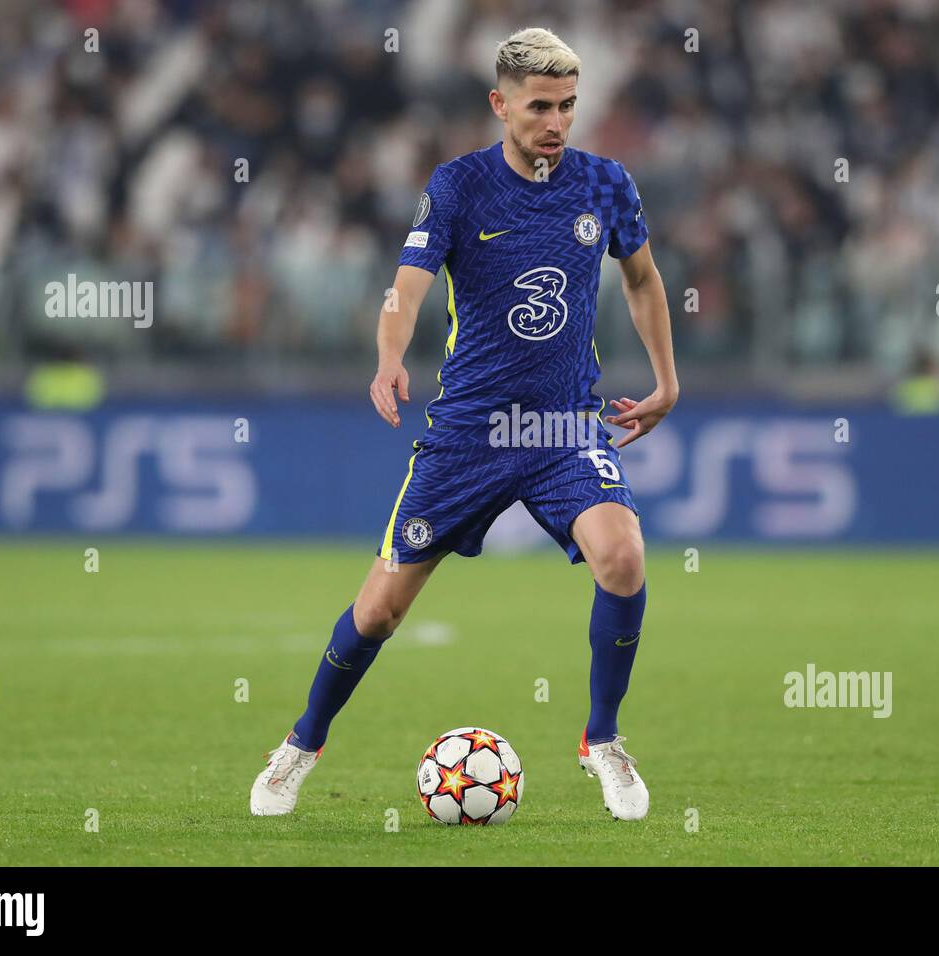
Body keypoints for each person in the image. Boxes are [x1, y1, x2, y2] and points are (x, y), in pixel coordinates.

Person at [251, 26, 678, 821]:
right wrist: (388, 357)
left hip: (561, 431)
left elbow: (645, 280)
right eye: (541, 105)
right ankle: (301, 745)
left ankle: (603, 740)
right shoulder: (457, 187)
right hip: (469, 435)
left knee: (622, 556)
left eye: (569, 106)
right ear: (500, 103)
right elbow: (405, 289)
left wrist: (666, 379)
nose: (557, 122)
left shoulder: (606, 184)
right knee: (379, 611)